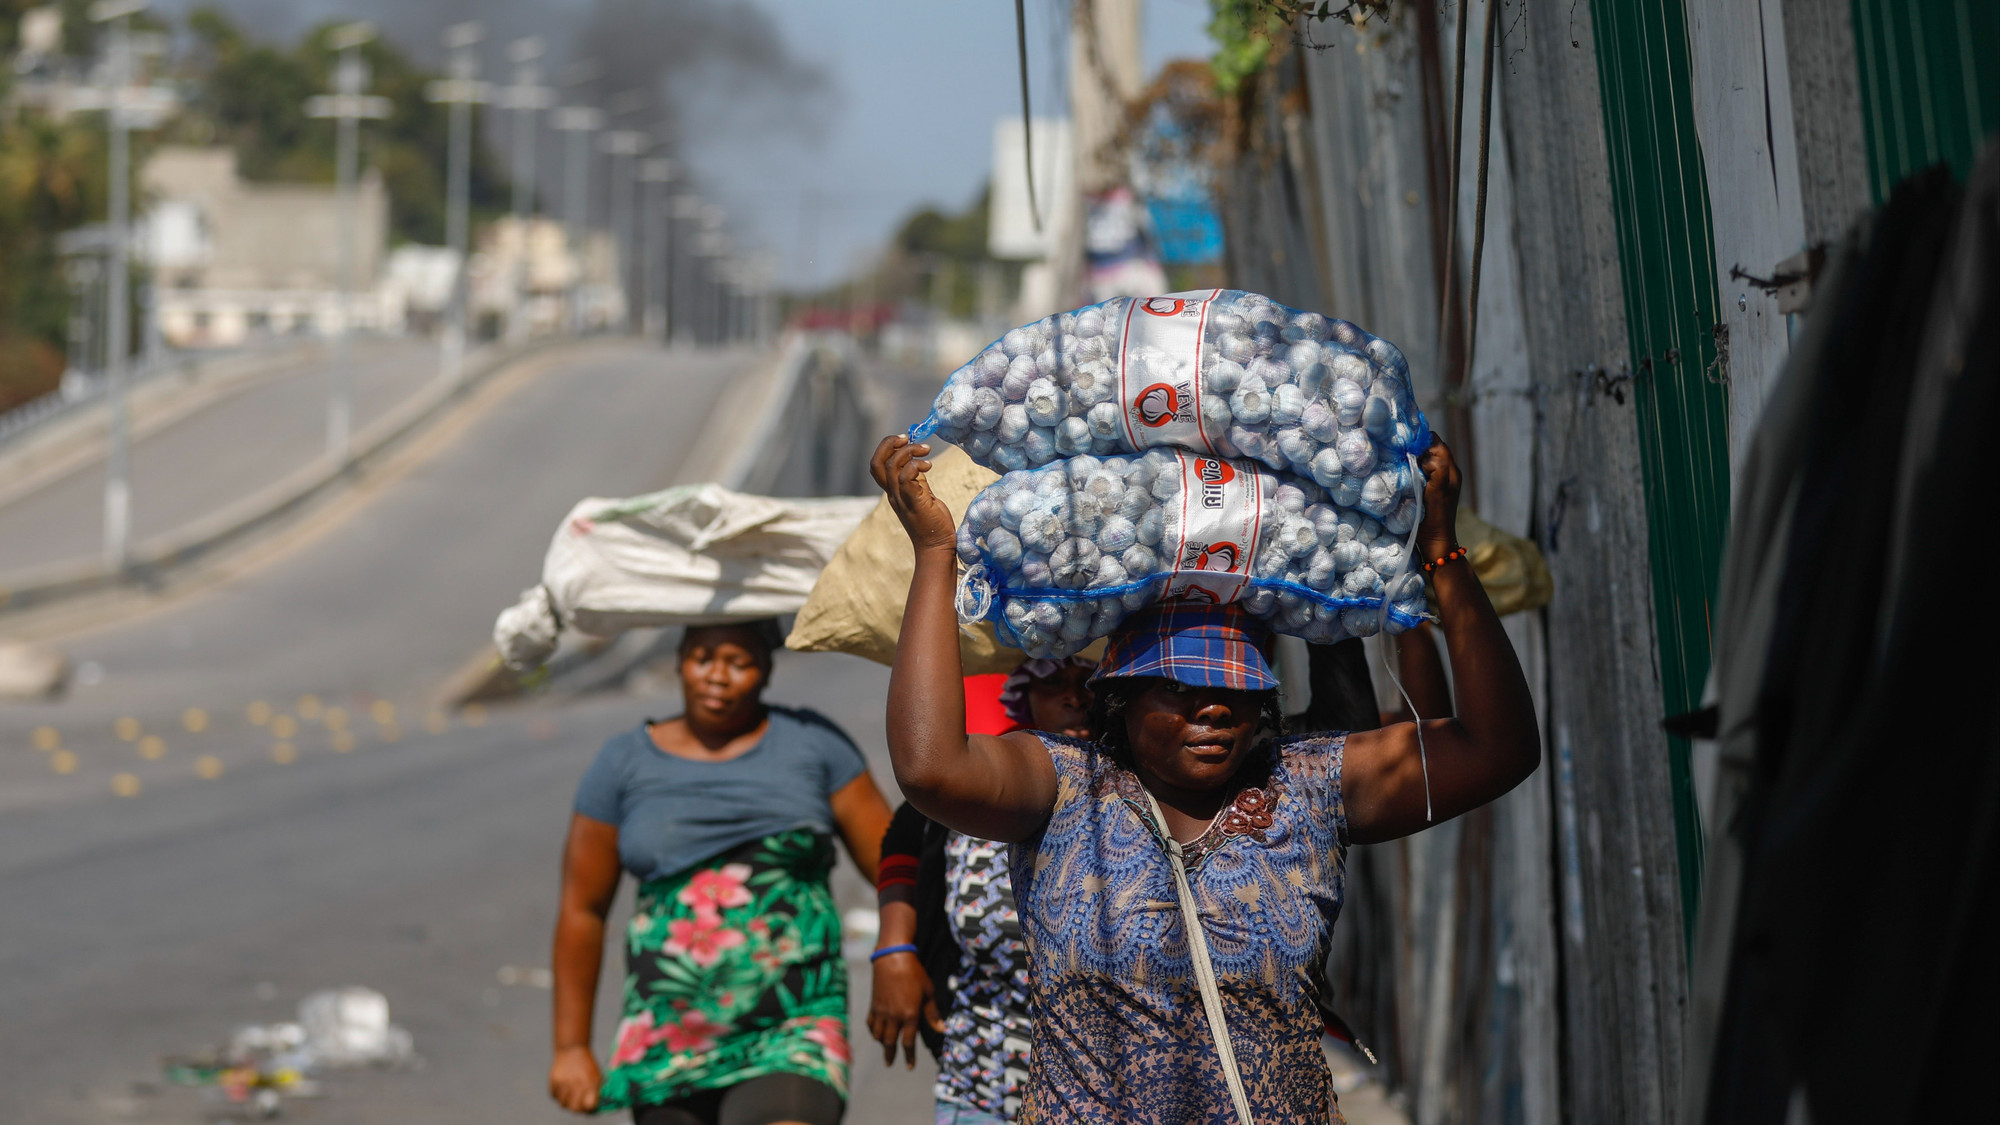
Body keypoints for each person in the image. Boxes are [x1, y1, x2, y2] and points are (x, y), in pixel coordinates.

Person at [868, 434, 1540, 1124]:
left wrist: (1442, 554)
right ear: (1118, 702)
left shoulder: (1304, 783)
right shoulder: (1065, 786)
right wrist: (936, 556)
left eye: (1238, 688)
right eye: (1179, 687)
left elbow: (1498, 748)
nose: (1214, 705)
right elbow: (929, 766)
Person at [548, 620, 894, 1125]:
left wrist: (902, 957)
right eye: (703, 657)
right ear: (679, 660)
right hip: (669, 1035)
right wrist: (571, 1047)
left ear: (768, 669)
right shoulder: (622, 764)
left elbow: (895, 871)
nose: (717, 676)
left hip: (792, 1026)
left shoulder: (814, 746)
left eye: (739, 661)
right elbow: (582, 909)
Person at [867, 657, 1095, 1124]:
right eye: (1053, 683)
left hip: (1106, 1098)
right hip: (981, 1080)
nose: (1074, 698)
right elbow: (904, 835)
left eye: (1088, 682)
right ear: (1025, 693)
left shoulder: (1149, 789)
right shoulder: (986, 775)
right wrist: (894, 946)